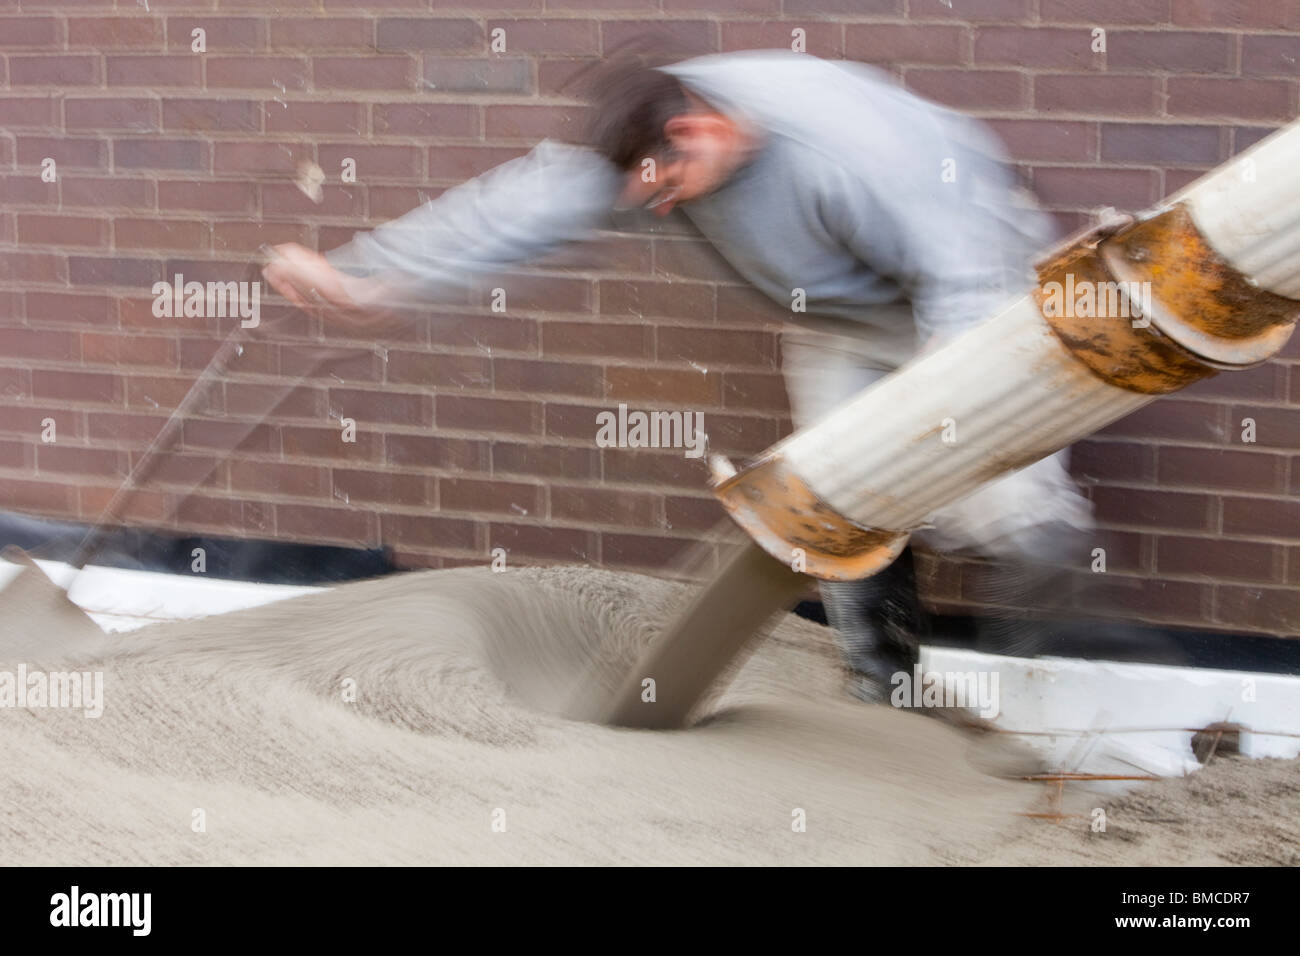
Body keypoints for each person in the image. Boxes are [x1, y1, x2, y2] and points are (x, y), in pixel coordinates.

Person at [263, 48, 1095, 702]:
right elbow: (524, 205)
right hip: (841, 317)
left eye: (667, 190)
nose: (662, 210)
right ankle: (887, 686)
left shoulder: (856, 150)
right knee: (838, 495)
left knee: (1006, 509)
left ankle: (1069, 676)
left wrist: (938, 430)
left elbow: (966, 281)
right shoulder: (647, 128)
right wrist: (374, 278)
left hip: (973, 290)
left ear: (699, 135)